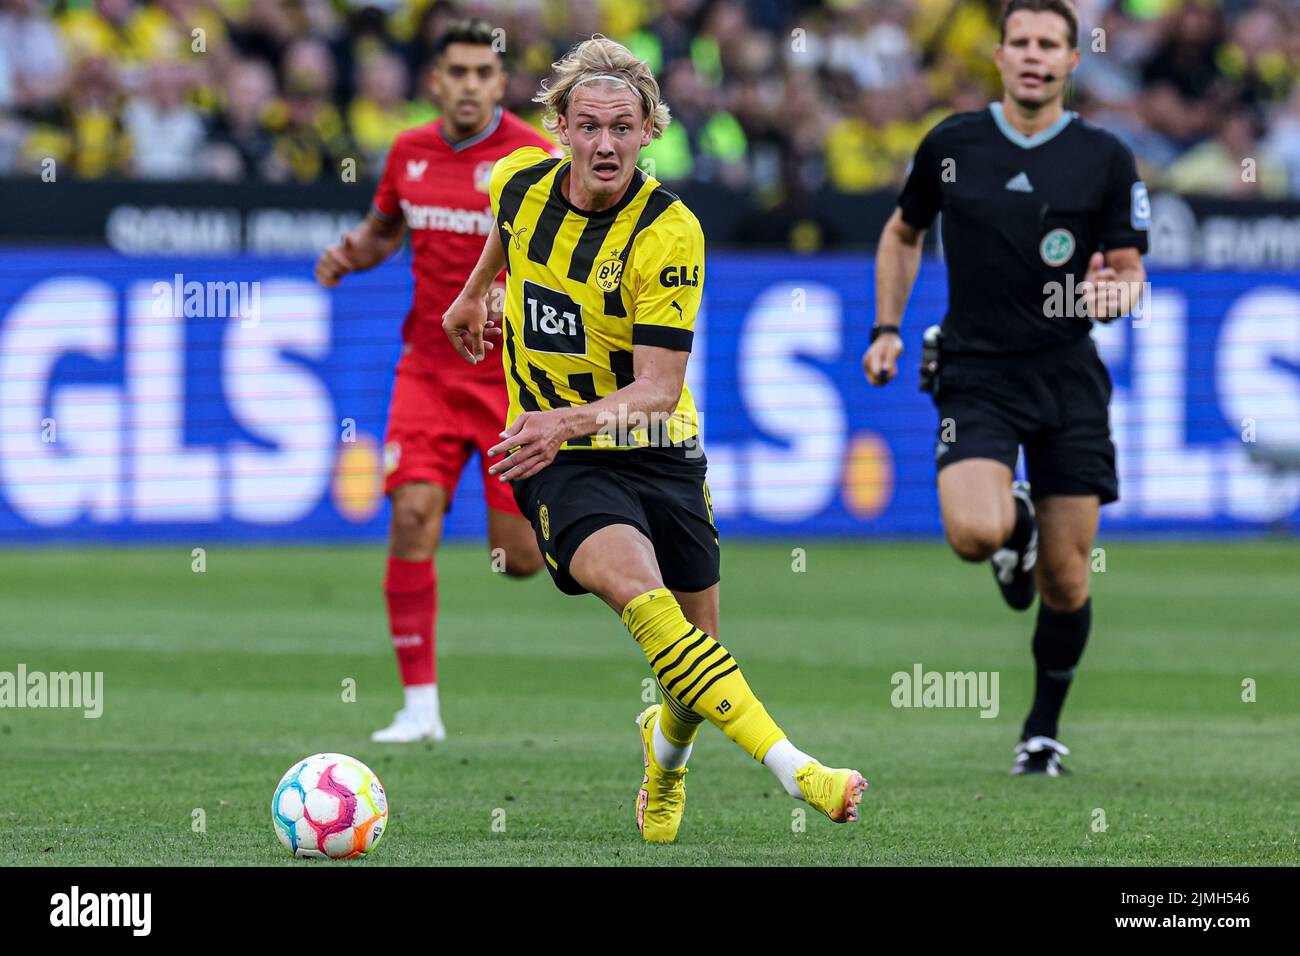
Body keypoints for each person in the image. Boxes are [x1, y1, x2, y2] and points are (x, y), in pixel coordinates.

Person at [442, 36, 866, 843]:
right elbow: (505, 230)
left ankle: (663, 761)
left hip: (655, 446)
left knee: (694, 658)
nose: (605, 144)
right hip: (556, 458)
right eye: (589, 126)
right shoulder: (517, 181)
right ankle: (799, 768)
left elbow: (657, 390)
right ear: (559, 127)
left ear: (650, 132)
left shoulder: (669, 232)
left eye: (623, 128)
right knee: (646, 602)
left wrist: (562, 418)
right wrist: (474, 294)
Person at [862, 0, 1149, 776]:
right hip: (977, 373)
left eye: (1048, 44)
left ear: (1070, 60)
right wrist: (886, 328)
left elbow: (1128, 272)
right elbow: (902, 231)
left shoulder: (1104, 157)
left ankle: (1042, 730)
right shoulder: (953, 144)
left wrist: (1114, 296)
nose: (1033, 55)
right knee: (973, 535)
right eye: (1020, 41)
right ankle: (1011, 529)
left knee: (1064, 578)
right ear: (999, 55)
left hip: (1066, 378)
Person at [314, 19, 552, 743]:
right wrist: (354, 254)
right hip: (425, 370)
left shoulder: (534, 156)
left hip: (510, 381)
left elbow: (562, 254)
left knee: (520, 559)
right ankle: (420, 709)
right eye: (459, 72)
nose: (471, 85)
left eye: (485, 72)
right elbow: (387, 229)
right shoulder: (409, 153)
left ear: (501, 84)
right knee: (412, 515)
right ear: (436, 82)